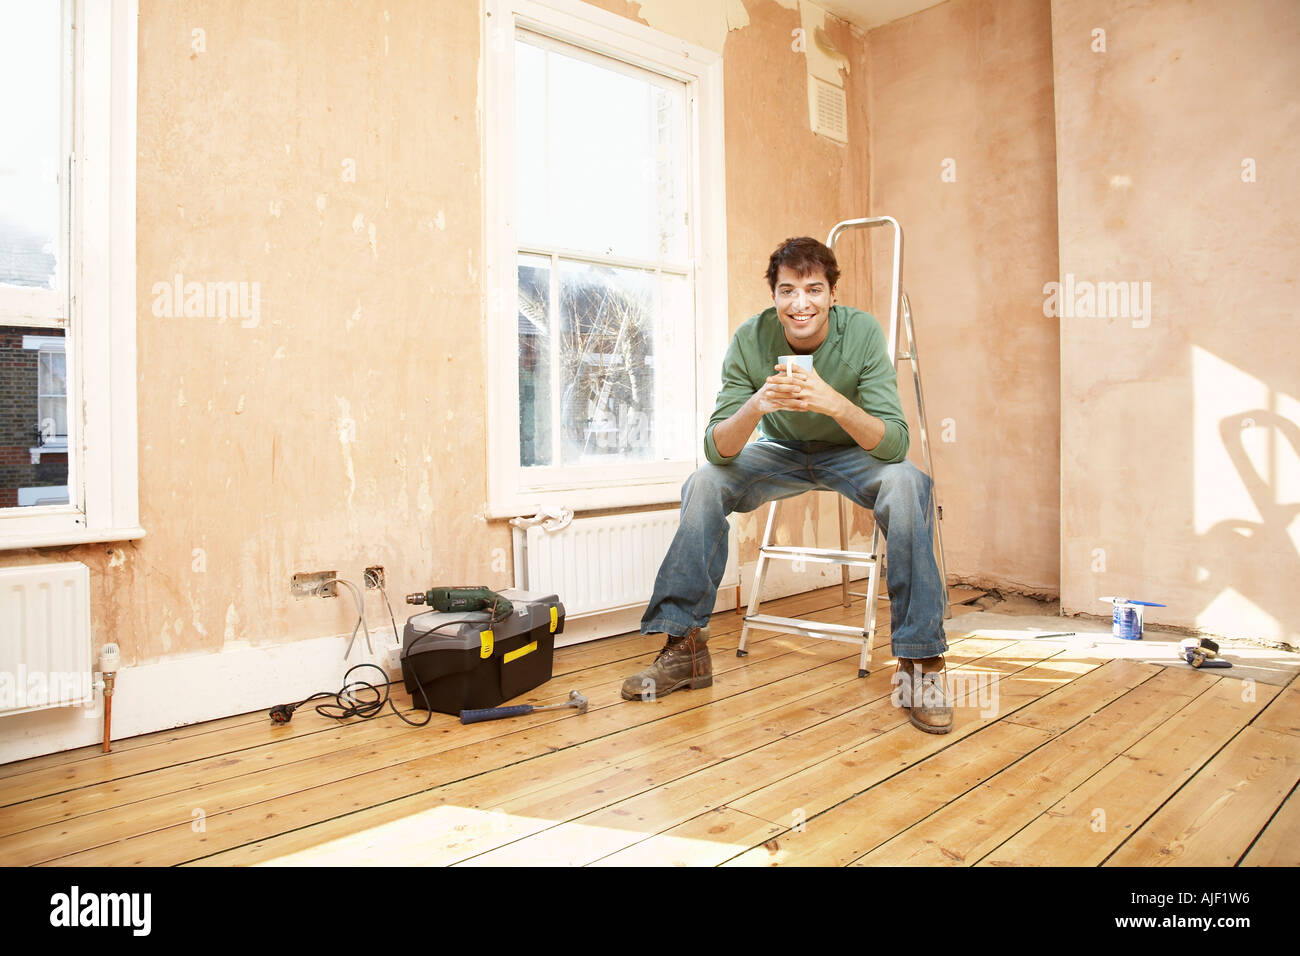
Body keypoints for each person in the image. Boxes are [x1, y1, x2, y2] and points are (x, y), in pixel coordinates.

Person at [621, 236, 953, 733]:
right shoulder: (750, 339)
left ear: (832, 295)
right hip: (780, 453)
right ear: (774, 296)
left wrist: (831, 402)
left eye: (814, 289)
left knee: (908, 484)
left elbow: (894, 445)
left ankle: (919, 665)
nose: (801, 304)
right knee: (704, 483)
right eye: (788, 291)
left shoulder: (860, 332)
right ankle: (685, 646)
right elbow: (718, 449)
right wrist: (757, 404)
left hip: (851, 453)